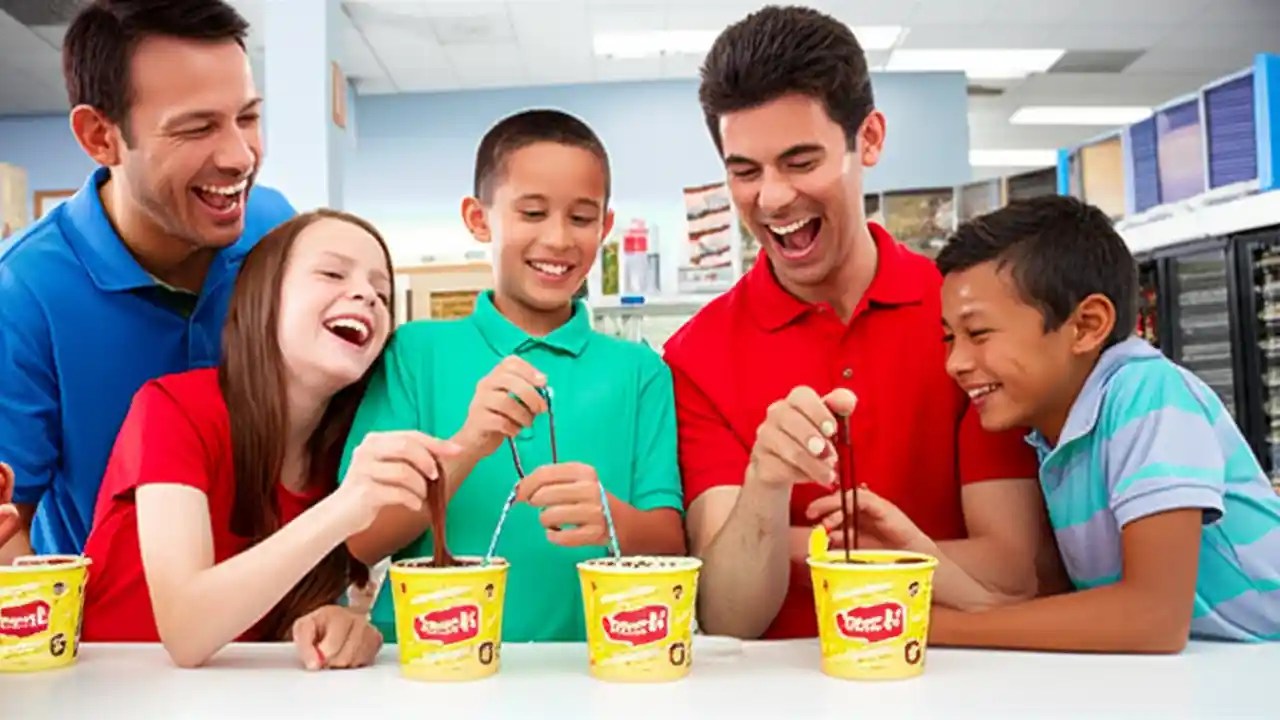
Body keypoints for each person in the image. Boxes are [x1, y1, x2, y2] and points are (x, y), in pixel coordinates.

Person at [663, 5, 1057, 640]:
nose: (772, 198)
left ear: (868, 139)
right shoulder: (694, 356)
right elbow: (729, 615)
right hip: (776, 684)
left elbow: (1011, 570)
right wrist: (765, 484)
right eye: (745, 172)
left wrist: (800, 544)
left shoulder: (964, 319)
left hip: (951, 671)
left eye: (800, 162)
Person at [342, 109, 686, 643]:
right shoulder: (413, 353)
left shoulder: (641, 371)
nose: (558, 238)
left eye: (581, 218)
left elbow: (672, 547)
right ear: (478, 219)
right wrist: (466, 445)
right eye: (532, 213)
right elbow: (358, 541)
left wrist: (612, 518)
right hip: (430, 660)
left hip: (591, 664)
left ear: (605, 227)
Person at [80, 210, 458, 669]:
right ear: (264, 296)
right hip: (110, 685)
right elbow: (185, 631)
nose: (366, 295)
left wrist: (336, 623)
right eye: (332, 273)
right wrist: (345, 508)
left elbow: (276, 620)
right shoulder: (173, 409)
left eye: (382, 293)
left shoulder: (343, 459)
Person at [0, 0, 295, 562]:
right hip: (111, 615)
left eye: (247, 118)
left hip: (283, 608)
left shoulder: (277, 232)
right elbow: (9, 527)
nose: (240, 157)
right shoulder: (21, 293)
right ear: (100, 136)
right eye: (198, 127)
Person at [919, 195, 1280, 651]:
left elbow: (1153, 617)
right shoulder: (1053, 436)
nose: (955, 362)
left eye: (978, 333)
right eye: (949, 337)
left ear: (1087, 325)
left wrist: (932, 629)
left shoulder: (1146, 393)